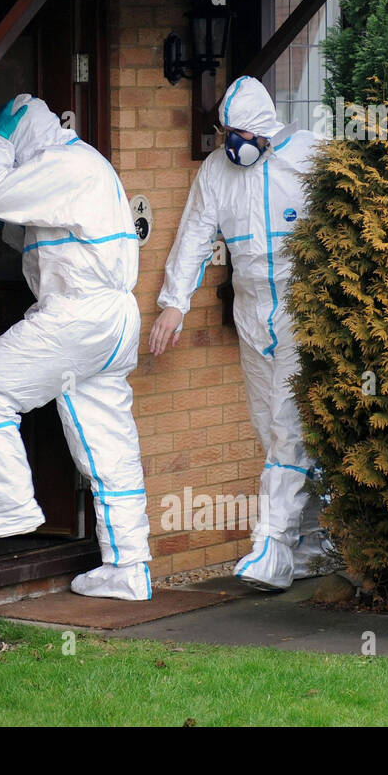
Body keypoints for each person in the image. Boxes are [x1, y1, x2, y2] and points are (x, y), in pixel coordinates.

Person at [0, 94, 151, 602]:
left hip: (77, 316)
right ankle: (129, 568)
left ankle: (9, 503)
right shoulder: (86, 165)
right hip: (111, 321)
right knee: (110, 448)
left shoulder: (62, 164)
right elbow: (26, 234)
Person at [149, 75, 331, 591]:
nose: (232, 144)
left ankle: (271, 549)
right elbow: (193, 236)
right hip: (252, 312)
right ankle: (310, 548)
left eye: (240, 134)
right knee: (268, 427)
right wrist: (173, 305)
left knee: (287, 427)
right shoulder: (216, 172)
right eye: (224, 132)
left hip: (302, 310)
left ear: (266, 132)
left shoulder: (309, 159)